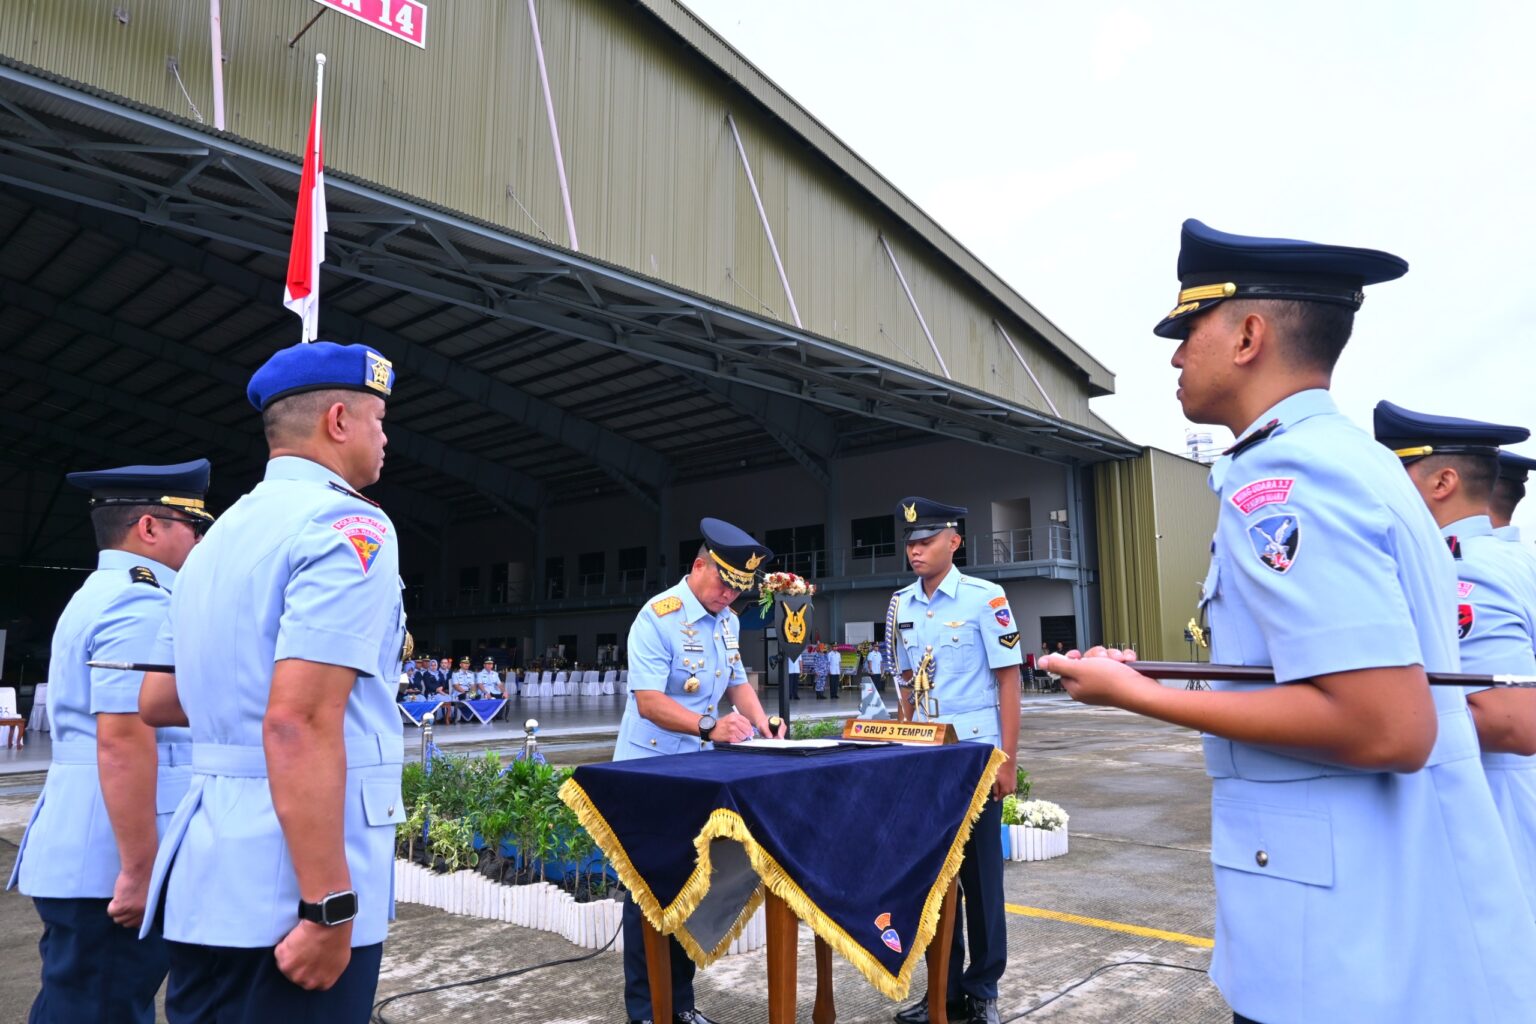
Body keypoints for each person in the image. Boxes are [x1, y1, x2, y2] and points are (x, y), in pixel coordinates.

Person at [1044, 219, 1536, 1023]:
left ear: (1248, 336)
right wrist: (1150, 674)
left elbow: (1387, 724)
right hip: (1372, 921)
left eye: (1188, 330)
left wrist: (1137, 697)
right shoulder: (1347, 460)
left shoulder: (1289, 474)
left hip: (1339, 943)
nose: (1175, 356)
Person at [140, 341, 407, 1022]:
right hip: (292, 890)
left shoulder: (216, 541)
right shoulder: (348, 525)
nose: (385, 438)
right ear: (339, 420)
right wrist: (328, 906)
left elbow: (160, 700)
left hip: (208, 874)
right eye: (379, 420)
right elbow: (298, 721)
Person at [7, 461, 212, 1023]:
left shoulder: (104, 591)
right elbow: (124, 739)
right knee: (99, 1007)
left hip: (91, 844)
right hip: (111, 857)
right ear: (149, 528)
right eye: (193, 526)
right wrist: (140, 870)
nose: (199, 540)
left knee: (82, 1003)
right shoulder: (140, 603)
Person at [613, 517, 785, 1024]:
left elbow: (738, 682)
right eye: (724, 584)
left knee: (689, 887)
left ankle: (681, 1005)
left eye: (738, 589)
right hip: (649, 771)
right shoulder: (657, 617)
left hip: (696, 772)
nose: (729, 596)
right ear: (698, 566)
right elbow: (648, 702)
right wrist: (710, 726)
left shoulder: (727, 622)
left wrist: (764, 724)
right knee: (648, 891)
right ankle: (647, 1011)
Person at [1376, 402, 1536, 914]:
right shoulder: (1512, 559)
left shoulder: (1463, 572)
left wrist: (1365, 713)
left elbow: (1510, 721)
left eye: (1394, 472)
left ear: (1442, 482)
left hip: (1494, 822)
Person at [887, 497, 1021, 1024]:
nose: (915, 551)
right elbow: (905, 683)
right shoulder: (901, 605)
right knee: (935, 881)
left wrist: (1007, 760)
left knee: (982, 881)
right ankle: (942, 992)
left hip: (974, 757)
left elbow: (1008, 681)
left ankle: (983, 990)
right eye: (911, 543)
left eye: (926, 542)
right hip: (925, 758)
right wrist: (901, 739)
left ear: (954, 542)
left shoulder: (985, 599)